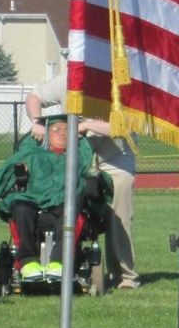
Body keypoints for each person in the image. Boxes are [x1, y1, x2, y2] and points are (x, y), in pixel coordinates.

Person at [26, 72, 140, 289]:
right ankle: (61, 262)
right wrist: (37, 121)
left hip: (115, 156)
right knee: (65, 202)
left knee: (120, 214)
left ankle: (125, 277)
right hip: (77, 155)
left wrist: (87, 125)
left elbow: (124, 127)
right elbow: (34, 96)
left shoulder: (121, 81)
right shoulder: (70, 79)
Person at [0, 115, 96, 280]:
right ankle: (28, 262)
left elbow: (92, 170)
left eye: (67, 130)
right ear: (46, 134)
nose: (62, 133)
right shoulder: (31, 154)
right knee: (20, 207)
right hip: (33, 202)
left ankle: (59, 263)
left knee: (72, 209)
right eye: (56, 129)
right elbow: (4, 174)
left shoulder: (79, 156)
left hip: (63, 205)